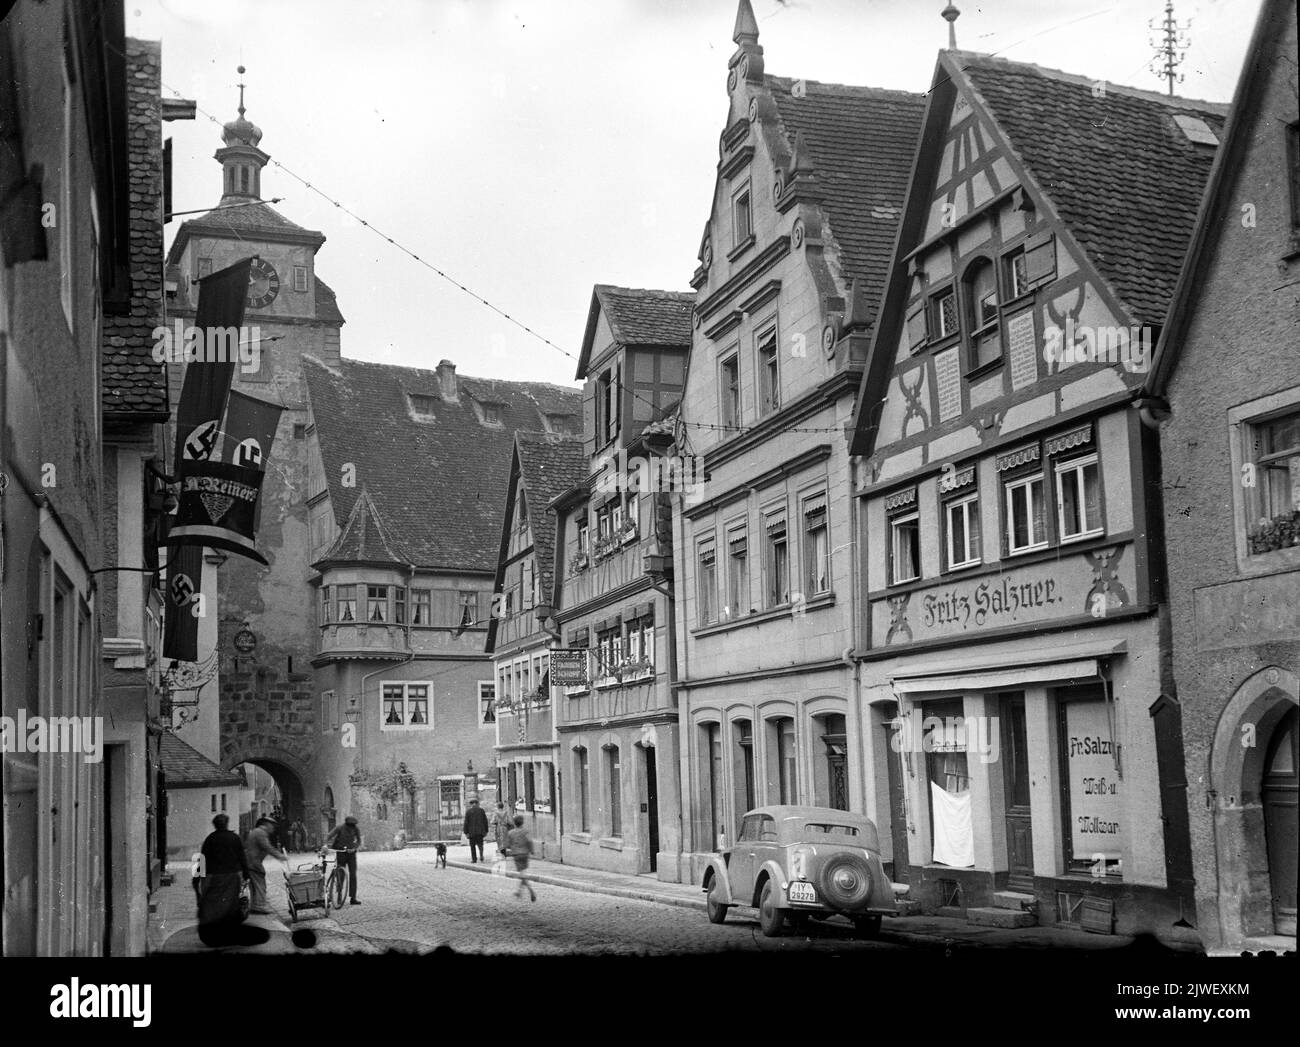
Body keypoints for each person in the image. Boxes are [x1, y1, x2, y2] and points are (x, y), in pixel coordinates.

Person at [196, 814, 250, 933]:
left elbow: (202, 859)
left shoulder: (210, 838)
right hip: (232, 876)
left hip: (214, 876)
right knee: (231, 902)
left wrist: (196, 879)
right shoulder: (235, 838)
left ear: (215, 825)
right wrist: (246, 873)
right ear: (226, 823)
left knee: (214, 903)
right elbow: (242, 857)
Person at [244, 816, 287, 915]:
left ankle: (254, 905)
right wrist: (280, 856)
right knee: (260, 885)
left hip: (249, 862)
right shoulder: (261, 833)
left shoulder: (255, 832)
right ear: (267, 825)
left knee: (254, 885)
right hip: (254, 863)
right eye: (272, 826)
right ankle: (259, 906)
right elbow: (267, 847)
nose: (273, 828)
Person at [325, 815, 363, 905]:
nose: (351, 827)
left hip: (351, 854)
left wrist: (354, 848)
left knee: (353, 874)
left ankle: (353, 897)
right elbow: (329, 836)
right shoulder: (340, 827)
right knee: (340, 875)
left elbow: (359, 841)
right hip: (341, 852)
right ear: (346, 824)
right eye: (350, 825)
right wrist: (326, 845)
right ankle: (339, 894)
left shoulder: (356, 829)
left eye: (353, 826)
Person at [504, 815, 536, 902]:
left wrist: (513, 847)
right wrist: (532, 850)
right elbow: (529, 841)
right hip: (525, 854)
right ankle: (519, 891)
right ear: (522, 822)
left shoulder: (510, 833)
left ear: (514, 823)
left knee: (522, 874)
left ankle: (530, 890)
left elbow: (507, 844)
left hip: (516, 854)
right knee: (523, 873)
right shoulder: (526, 831)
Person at [462, 798, 489, 863]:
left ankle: (474, 859)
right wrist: (486, 830)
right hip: (480, 831)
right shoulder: (481, 810)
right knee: (480, 845)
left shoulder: (468, 812)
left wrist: (466, 832)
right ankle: (481, 855)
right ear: (477, 804)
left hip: (472, 832)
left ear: (471, 804)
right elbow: (485, 821)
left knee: (472, 846)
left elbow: (466, 822)